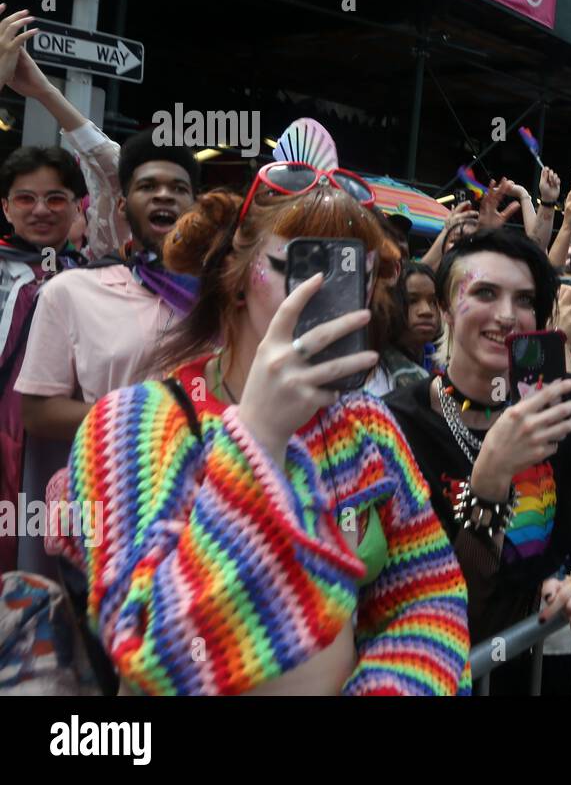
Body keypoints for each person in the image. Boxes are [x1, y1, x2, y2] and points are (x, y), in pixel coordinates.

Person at [46, 174, 471, 695]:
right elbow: (150, 650)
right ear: (238, 273)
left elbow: (428, 597)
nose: (326, 297)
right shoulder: (133, 424)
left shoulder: (367, 428)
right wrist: (258, 439)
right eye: (303, 266)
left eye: (349, 273)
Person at [382, 228, 571, 694]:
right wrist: (489, 482)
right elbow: (451, 604)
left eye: (524, 300)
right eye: (483, 292)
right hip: (454, 673)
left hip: (560, 663)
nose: (506, 316)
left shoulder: (565, 401)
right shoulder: (397, 422)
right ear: (443, 309)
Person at [16, 128, 200, 576]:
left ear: (197, 208)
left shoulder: (228, 300)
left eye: (179, 189)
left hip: (210, 515)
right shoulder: (70, 292)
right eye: (147, 186)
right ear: (122, 206)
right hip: (110, 512)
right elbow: (36, 413)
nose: (164, 196)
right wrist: (142, 416)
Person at [0, 25, 128, 574]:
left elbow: (114, 170)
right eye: (25, 198)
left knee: (55, 583)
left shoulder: (96, 270)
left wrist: (42, 91)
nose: (41, 209)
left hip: (70, 452)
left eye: (57, 197)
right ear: (5, 208)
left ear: (80, 208)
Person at [365, 261, 441, 394]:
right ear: (389, 306)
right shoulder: (374, 374)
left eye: (433, 301)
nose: (426, 310)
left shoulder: (440, 362)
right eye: (412, 301)